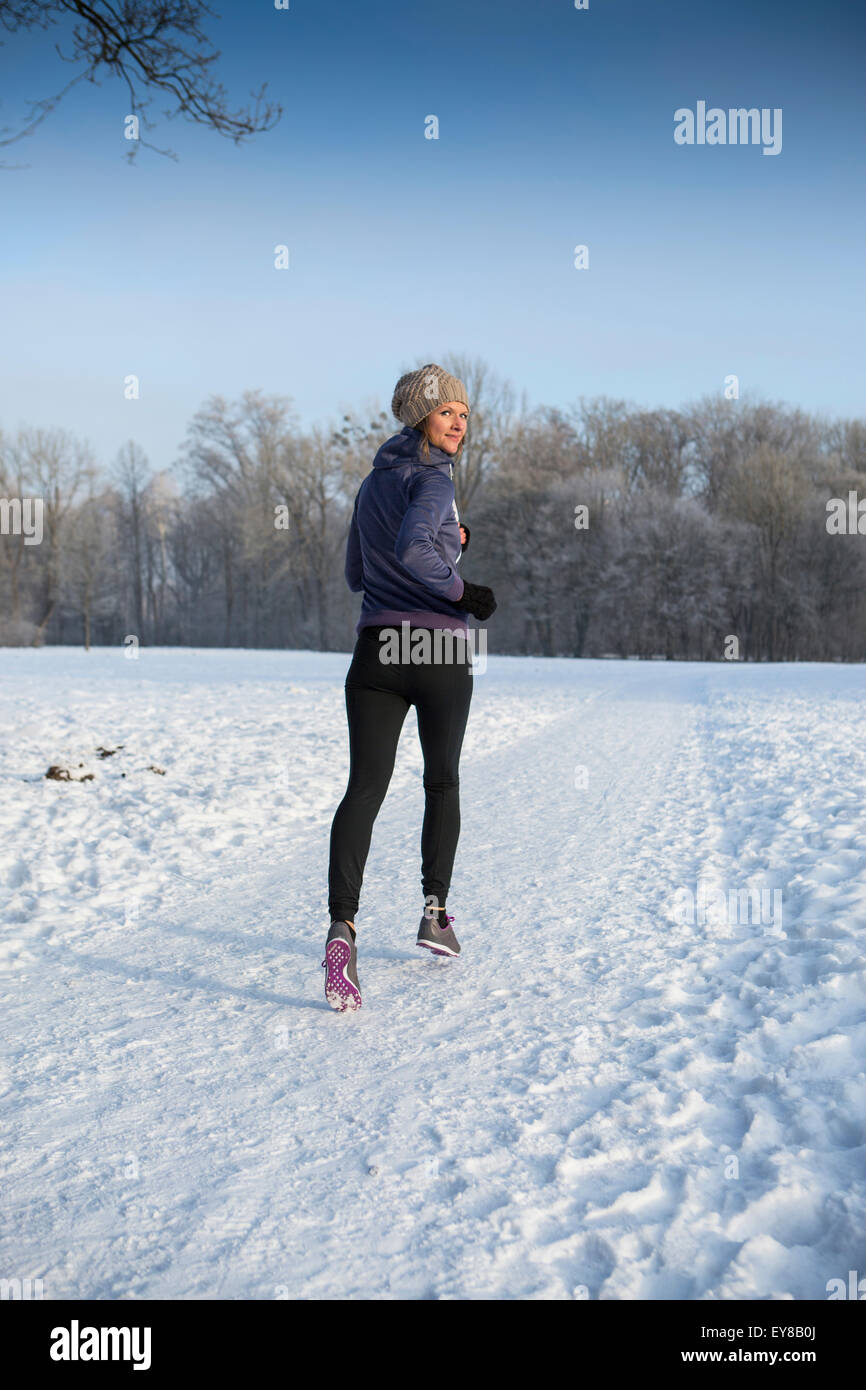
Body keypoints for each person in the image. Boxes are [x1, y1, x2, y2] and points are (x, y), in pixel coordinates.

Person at [323, 364, 497, 1011]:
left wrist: (450, 540)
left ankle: (342, 928)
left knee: (364, 788)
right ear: (421, 415)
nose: (459, 422)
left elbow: (354, 572)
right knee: (441, 779)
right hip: (434, 647)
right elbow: (416, 550)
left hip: (376, 650)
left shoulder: (372, 484)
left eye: (464, 413)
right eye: (448, 410)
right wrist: (463, 588)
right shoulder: (434, 477)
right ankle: (434, 915)